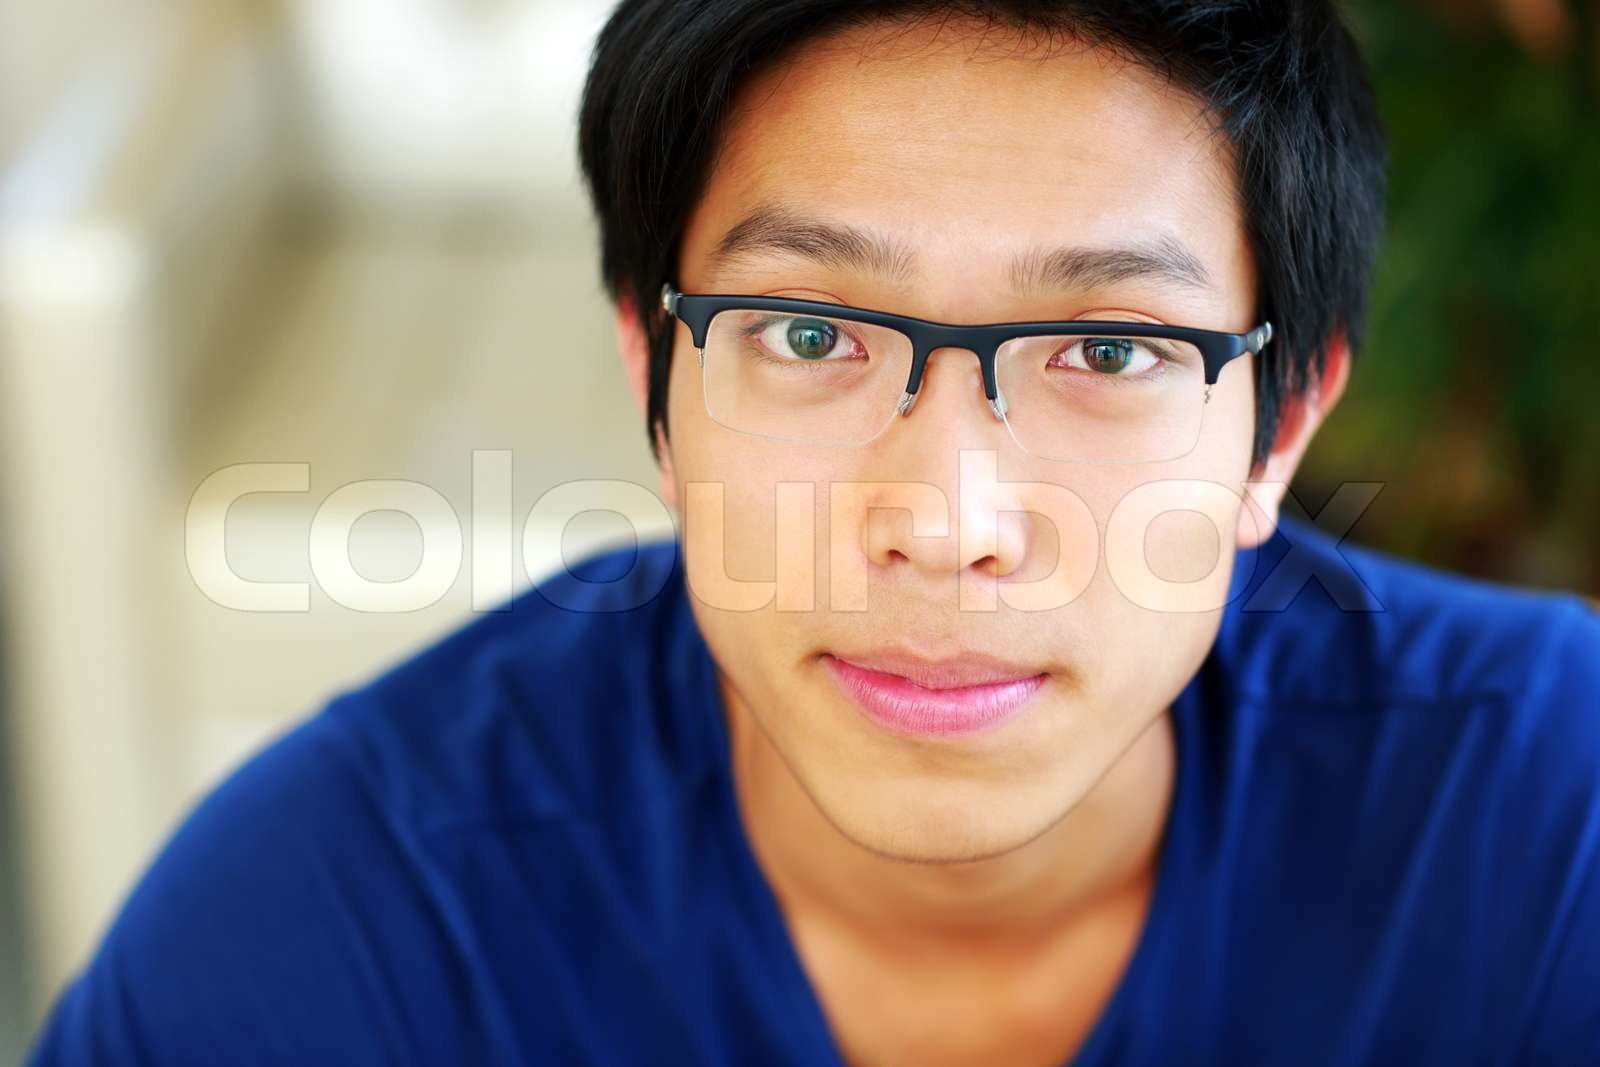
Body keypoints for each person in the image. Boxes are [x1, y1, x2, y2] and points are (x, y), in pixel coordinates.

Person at [28, 2, 1600, 1064]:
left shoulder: (1551, 816)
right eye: (804, 334)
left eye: (1110, 353)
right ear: (655, 370)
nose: (945, 522)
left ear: (1288, 424)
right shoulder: (329, 931)